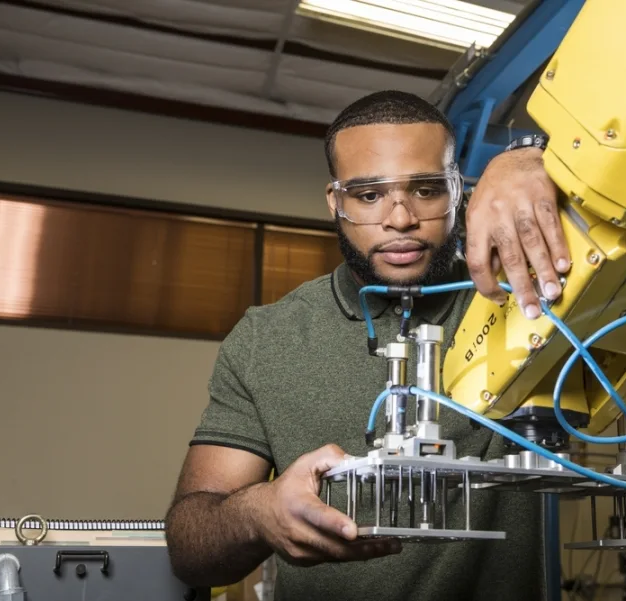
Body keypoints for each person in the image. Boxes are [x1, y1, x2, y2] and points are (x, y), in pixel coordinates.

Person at [165, 90, 569, 600]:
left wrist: (530, 156)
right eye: (369, 195)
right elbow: (189, 547)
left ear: (458, 189)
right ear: (335, 200)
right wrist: (260, 511)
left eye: (425, 190)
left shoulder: (525, 295)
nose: (400, 219)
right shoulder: (269, 339)